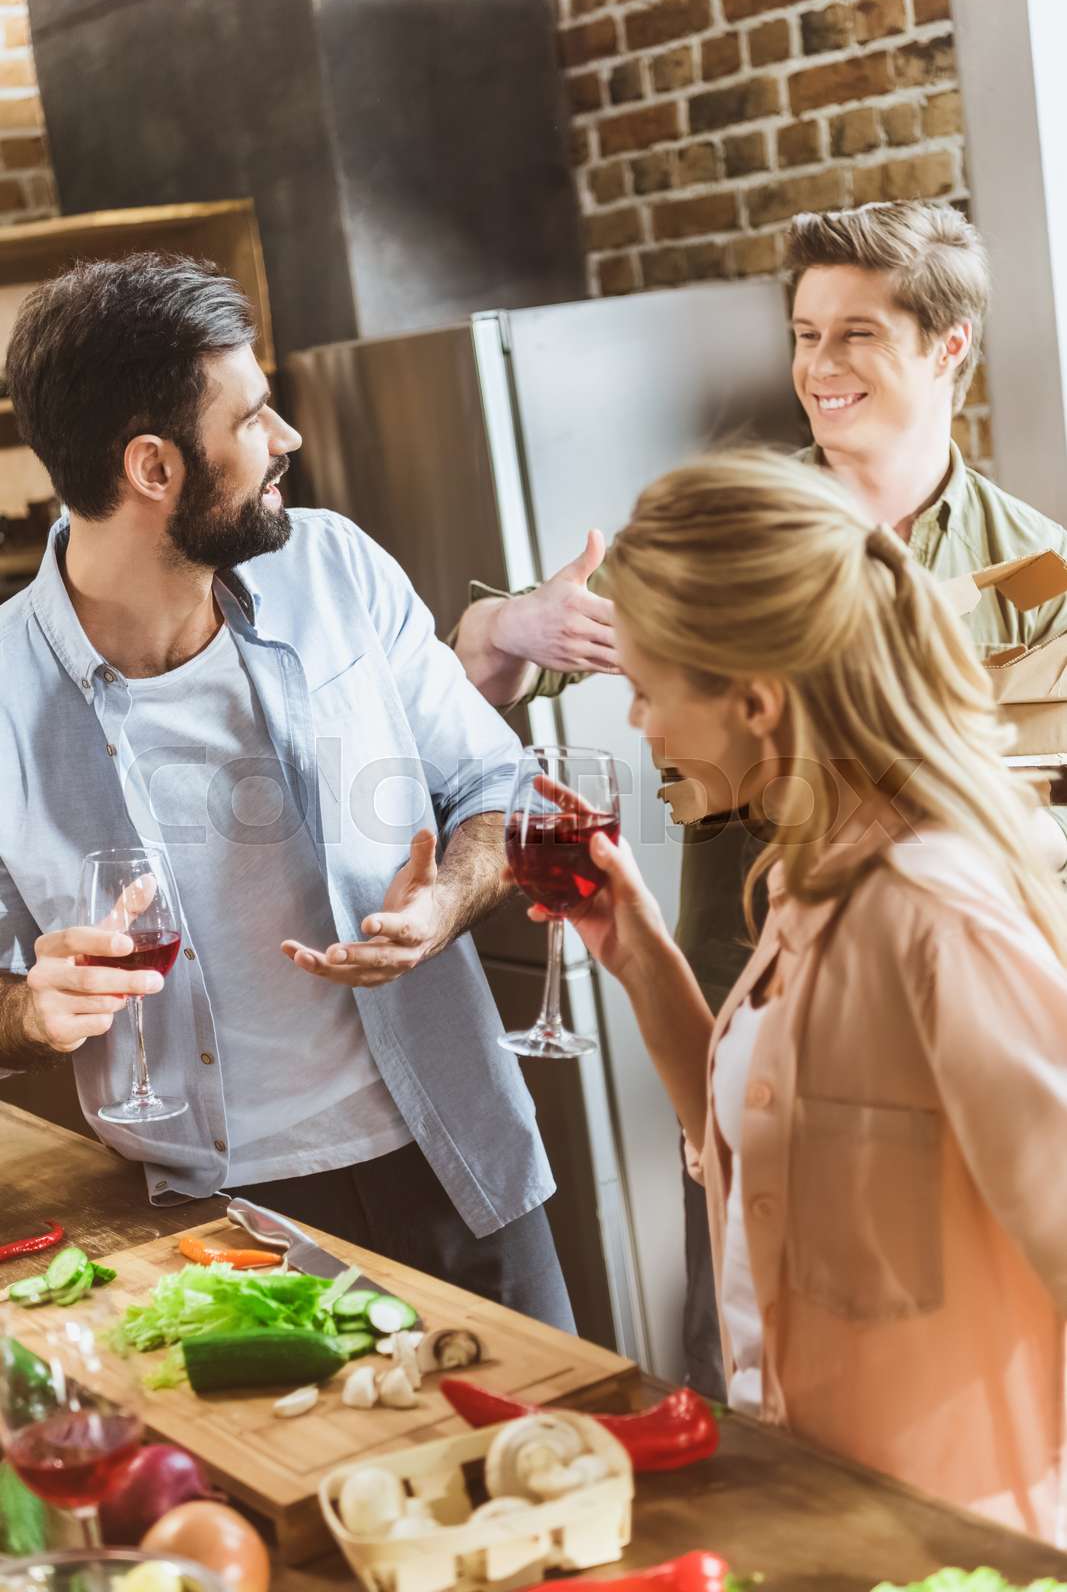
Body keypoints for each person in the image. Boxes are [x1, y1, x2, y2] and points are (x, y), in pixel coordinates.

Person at [451, 198, 1067, 1388]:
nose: (817, 368)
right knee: (733, 1349)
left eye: (854, 335)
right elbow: (493, 678)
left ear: (946, 346)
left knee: (899, 1356)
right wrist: (503, 621)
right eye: (803, 334)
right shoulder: (732, 531)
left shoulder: (1034, 576)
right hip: (737, 1006)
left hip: (914, 1050)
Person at [0, 253, 573, 1331]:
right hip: (215, 1230)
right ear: (153, 469)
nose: (288, 441)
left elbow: (497, 783)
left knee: (559, 1476)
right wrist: (35, 1008)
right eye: (254, 419)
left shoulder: (337, 569)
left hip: (456, 1161)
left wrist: (442, 900)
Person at [517, 446, 1067, 1542]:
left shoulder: (932, 915)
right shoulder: (800, 882)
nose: (638, 724)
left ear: (757, 705)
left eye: (645, 689)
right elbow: (747, 1139)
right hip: (821, 1512)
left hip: (957, 1538)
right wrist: (638, 956)